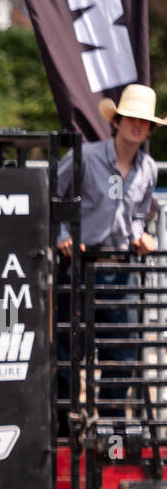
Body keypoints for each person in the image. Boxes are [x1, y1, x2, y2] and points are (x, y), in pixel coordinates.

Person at [54, 83, 162, 415]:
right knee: (69, 354)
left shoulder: (149, 169)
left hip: (122, 269)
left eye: (144, 122)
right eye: (131, 118)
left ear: (149, 130)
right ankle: (65, 430)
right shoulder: (84, 157)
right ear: (116, 121)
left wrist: (143, 236)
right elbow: (51, 197)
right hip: (79, 266)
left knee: (123, 354)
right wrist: (61, 235)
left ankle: (111, 431)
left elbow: (141, 213)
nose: (137, 125)